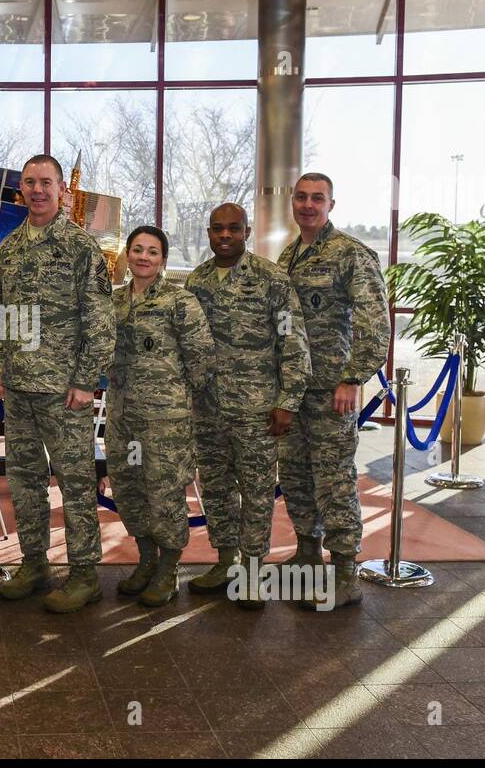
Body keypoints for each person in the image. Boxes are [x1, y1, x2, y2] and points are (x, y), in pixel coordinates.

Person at [0, 154, 115, 613]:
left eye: (46, 183)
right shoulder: (10, 248)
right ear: (20, 190)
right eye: (29, 183)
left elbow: (100, 321)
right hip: (20, 389)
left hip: (66, 391)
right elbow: (1, 315)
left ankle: (84, 573)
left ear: (62, 190)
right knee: (24, 481)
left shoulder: (81, 248)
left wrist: (86, 381)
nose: (37, 190)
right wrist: (1, 367)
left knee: (76, 481)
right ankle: (35, 562)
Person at [185, 203, 310, 609]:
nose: (225, 236)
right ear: (208, 233)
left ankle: (254, 570)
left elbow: (293, 341)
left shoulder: (271, 279)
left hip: (257, 407)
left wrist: (288, 401)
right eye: (218, 229)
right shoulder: (197, 281)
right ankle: (225, 561)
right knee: (216, 487)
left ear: (247, 232)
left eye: (233, 229)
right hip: (208, 406)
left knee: (256, 491)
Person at [275, 173, 390, 610]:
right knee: (297, 474)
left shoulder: (350, 255)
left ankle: (345, 572)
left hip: (329, 390)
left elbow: (375, 325)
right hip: (292, 390)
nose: (308, 205)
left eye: (316, 198)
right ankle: (307, 552)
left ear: (331, 204)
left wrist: (353, 377)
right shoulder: (289, 255)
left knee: (335, 477)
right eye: (301, 197)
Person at [104, 226, 213, 607]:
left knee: (164, 494)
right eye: (137, 250)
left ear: (163, 259)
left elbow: (201, 360)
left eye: (152, 251)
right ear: (128, 256)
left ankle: (168, 569)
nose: (144, 257)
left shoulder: (180, 302)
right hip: (123, 420)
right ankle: (146, 560)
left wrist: (179, 402)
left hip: (165, 422)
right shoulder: (113, 302)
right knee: (131, 489)